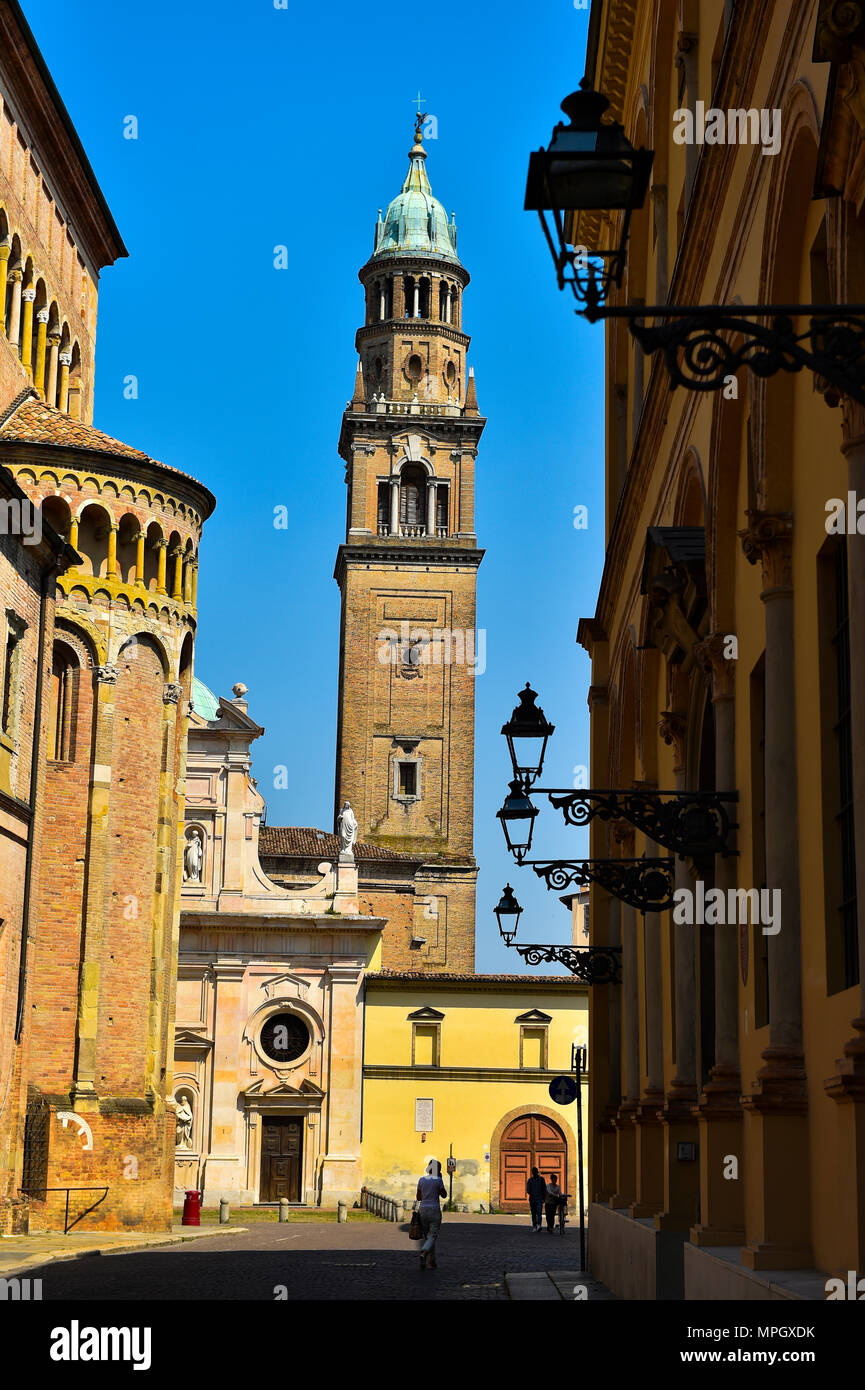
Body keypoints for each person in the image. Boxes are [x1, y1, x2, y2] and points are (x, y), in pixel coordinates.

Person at [415, 1157, 447, 1269]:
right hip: (434, 1210)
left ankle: (431, 1262)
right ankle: (424, 1253)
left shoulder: (421, 1180)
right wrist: (439, 1184)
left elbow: (418, 1197)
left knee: (428, 1237)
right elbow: (444, 1195)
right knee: (432, 1236)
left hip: (423, 1209)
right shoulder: (438, 1180)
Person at [526, 1166, 546, 1232]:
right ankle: (535, 1226)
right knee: (534, 1213)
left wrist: (543, 1198)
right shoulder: (530, 1180)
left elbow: (544, 1189)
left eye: (535, 1172)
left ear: (537, 1172)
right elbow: (528, 1190)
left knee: (539, 1213)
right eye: (533, 1172)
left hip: (539, 1199)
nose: (534, 1173)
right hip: (532, 1199)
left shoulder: (541, 1179)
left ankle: (538, 1225)